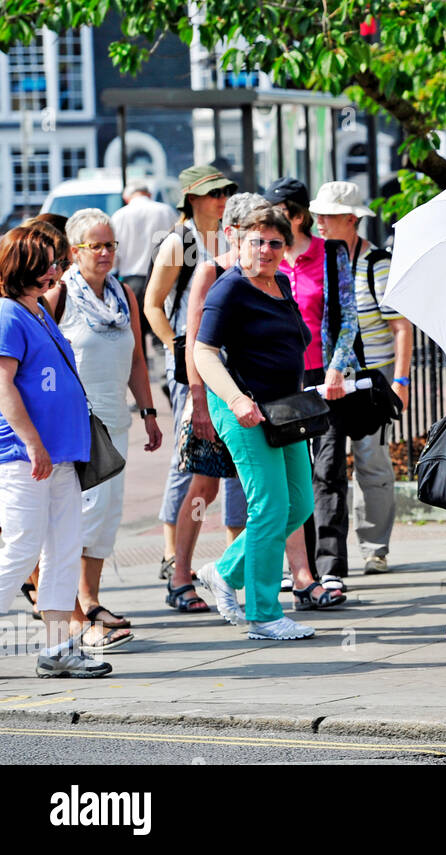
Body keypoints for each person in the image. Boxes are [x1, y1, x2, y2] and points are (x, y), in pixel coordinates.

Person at [191, 205, 318, 640]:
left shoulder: (281, 282)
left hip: (283, 410)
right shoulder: (228, 289)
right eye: (256, 241)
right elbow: (203, 352)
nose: (265, 249)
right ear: (238, 241)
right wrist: (235, 398)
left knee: (299, 504)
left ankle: (225, 571)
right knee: (268, 505)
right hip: (242, 409)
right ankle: (263, 614)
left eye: (274, 242)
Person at [40, 210, 163, 652]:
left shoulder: (123, 294)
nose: (108, 252)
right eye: (98, 245)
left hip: (115, 421)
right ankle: (71, 618)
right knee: (75, 519)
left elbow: (135, 360)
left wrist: (149, 410)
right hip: (75, 426)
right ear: (75, 251)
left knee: (105, 519)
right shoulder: (57, 296)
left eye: (111, 244)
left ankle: (89, 600)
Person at [0, 225, 109, 678]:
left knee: (63, 549)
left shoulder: (39, 310)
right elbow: (3, 385)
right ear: (24, 264)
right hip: (26, 457)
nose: (56, 267)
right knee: (23, 545)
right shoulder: (7, 313)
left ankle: (58, 647)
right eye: (47, 260)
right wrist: (31, 442)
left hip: (61, 454)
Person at [143, 165, 247, 583]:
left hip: (229, 358)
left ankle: (234, 547)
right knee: (190, 458)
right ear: (192, 197)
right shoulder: (178, 241)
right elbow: (153, 304)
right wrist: (176, 344)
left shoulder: (231, 237)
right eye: (212, 192)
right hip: (190, 360)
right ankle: (173, 551)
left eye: (225, 190)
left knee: (237, 453)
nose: (221, 198)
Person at [310, 181, 412, 576]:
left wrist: (400, 382)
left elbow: (401, 328)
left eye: (329, 216)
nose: (320, 222)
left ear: (351, 220)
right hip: (329, 376)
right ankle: (331, 553)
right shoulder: (318, 261)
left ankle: (374, 547)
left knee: (370, 459)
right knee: (328, 462)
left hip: (371, 377)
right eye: (318, 215)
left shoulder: (376, 263)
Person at [265, 177, 358, 590]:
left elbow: (349, 315)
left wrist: (339, 367)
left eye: (278, 212)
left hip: (326, 378)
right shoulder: (264, 258)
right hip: (281, 380)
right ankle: (300, 569)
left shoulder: (331, 253)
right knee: (291, 475)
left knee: (328, 468)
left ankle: (331, 565)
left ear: (297, 216)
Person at [111, 181, 177, 326]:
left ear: (126, 198)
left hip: (131, 281)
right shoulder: (166, 211)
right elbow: (179, 244)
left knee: (135, 331)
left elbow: (113, 254)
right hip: (163, 277)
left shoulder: (119, 215)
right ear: (149, 194)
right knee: (161, 331)